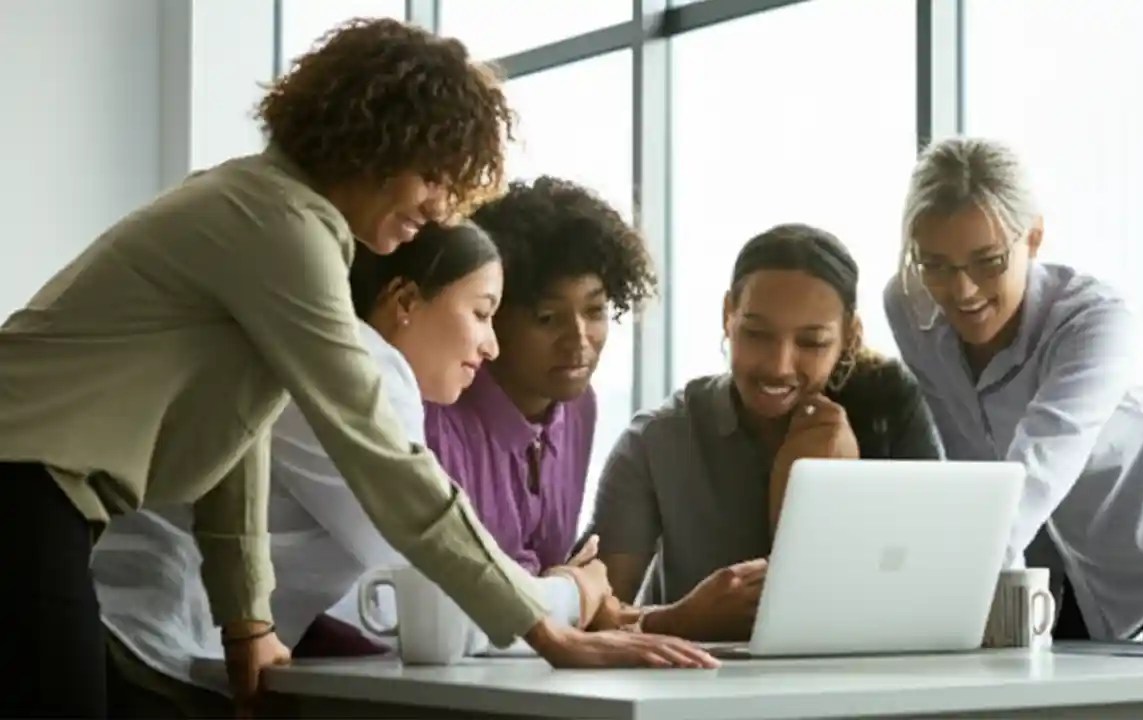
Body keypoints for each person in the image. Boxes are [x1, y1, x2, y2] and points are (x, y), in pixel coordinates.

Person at [0, 18, 712, 719]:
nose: (438, 209)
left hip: (41, 491)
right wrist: (542, 625)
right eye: (432, 176)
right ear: (375, 144)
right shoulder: (280, 228)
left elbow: (237, 436)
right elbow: (384, 458)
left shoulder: (272, 213)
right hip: (22, 483)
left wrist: (246, 619)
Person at [91, 221, 598, 715]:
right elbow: (429, 595)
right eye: (482, 313)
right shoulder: (366, 372)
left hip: (162, 642)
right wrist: (574, 595)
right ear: (404, 302)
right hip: (147, 644)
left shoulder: (364, 369)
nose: (491, 346)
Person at [883, 136, 1143, 644]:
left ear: (1033, 239)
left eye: (988, 261)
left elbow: (1037, 468)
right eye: (935, 264)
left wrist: (954, 596)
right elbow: (966, 458)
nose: (962, 290)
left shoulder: (1096, 322)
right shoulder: (911, 307)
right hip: (1085, 576)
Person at [584, 223, 942, 641]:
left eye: (811, 342)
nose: (778, 365)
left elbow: (930, 592)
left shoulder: (888, 411)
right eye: (756, 334)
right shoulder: (659, 441)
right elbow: (589, 615)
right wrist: (678, 620)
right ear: (727, 316)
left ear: (850, 338)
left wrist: (830, 489)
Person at [387, 175, 660, 659]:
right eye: (547, 318)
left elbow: (547, 579)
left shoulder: (579, 406)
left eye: (595, 311)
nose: (579, 340)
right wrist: (573, 594)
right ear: (494, 314)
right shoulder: (434, 408)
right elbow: (451, 606)